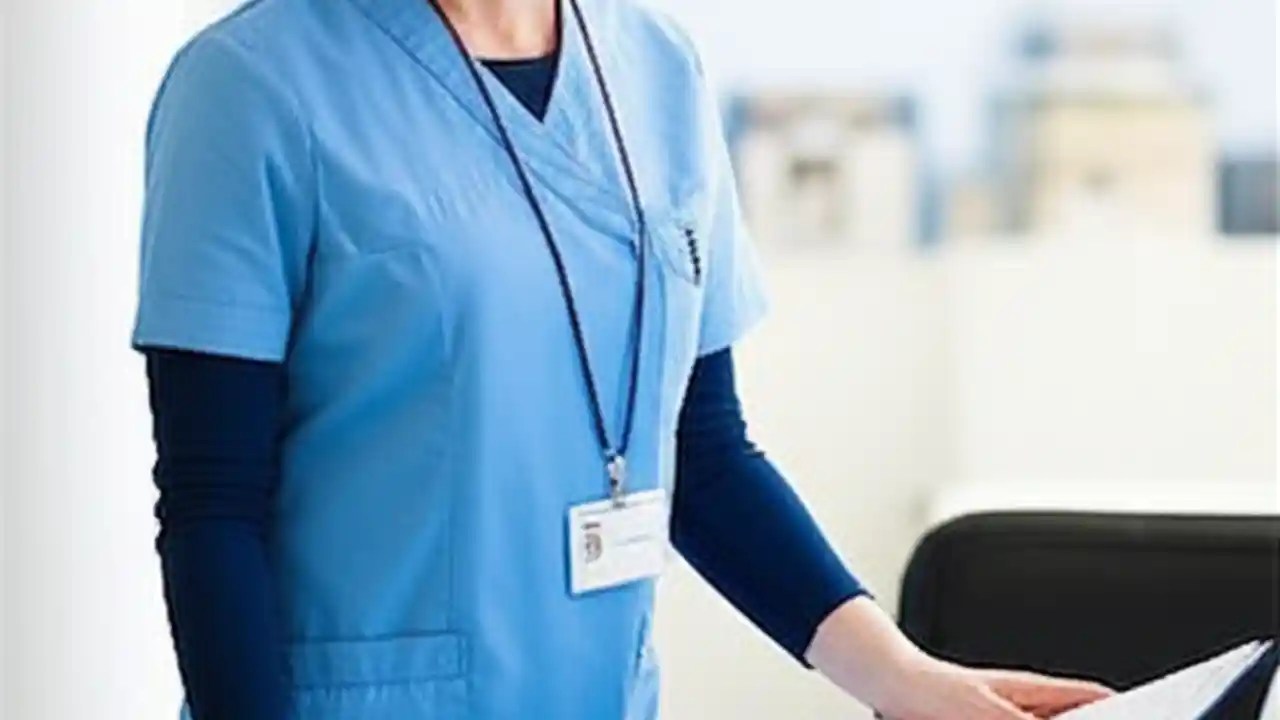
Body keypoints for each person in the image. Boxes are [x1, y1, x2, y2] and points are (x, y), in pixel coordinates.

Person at [132, 0, 1114, 717]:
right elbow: (213, 501)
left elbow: (706, 452)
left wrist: (902, 680)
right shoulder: (255, 83)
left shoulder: (654, 65)